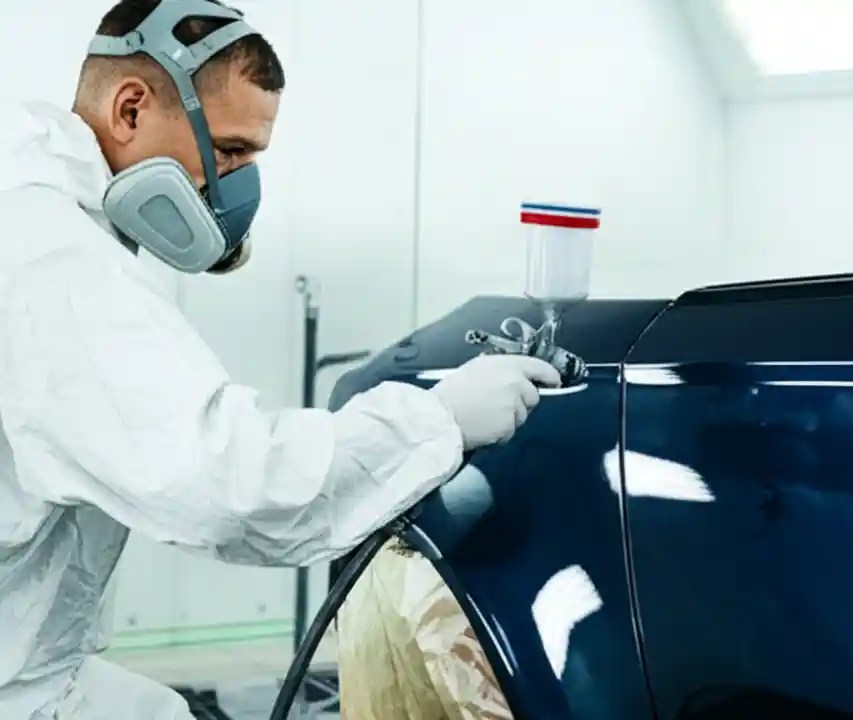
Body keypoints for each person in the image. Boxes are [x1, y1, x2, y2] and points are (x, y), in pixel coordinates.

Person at [0, 1, 559, 718]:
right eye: (229, 152)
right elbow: (228, 482)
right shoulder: (52, 258)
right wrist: (438, 419)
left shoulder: (35, 210)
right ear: (130, 109)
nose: (236, 190)